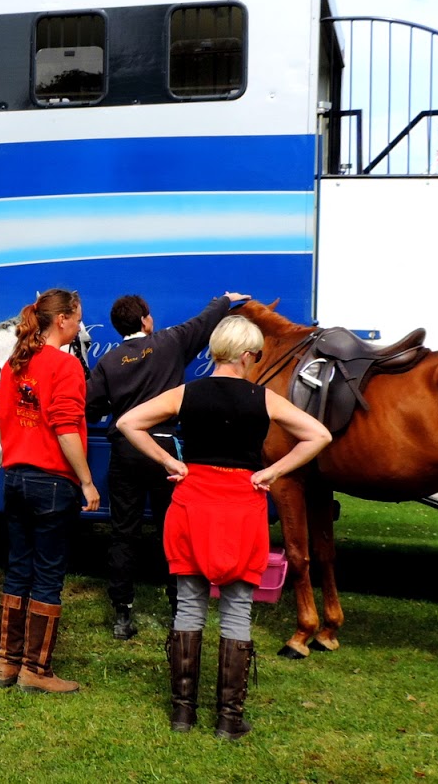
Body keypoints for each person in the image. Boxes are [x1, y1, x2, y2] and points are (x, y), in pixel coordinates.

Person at [118, 314, 330, 740]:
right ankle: (229, 719)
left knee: (189, 605)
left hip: (192, 501)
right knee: (236, 608)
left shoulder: (185, 393)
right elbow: (318, 435)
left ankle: (182, 713)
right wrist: (273, 472)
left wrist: (170, 461)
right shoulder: (264, 399)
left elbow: (127, 423)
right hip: (241, 506)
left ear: (216, 350)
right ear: (249, 355)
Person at [86, 291, 248, 639]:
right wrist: (224, 300)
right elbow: (203, 324)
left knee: (123, 533)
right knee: (172, 531)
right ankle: (179, 608)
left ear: (118, 327)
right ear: (146, 320)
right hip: (166, 452)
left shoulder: (108, 363)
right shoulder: (170, 342)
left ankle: (122, 614)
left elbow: (91, 407)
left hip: (125, 450)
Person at [0, 287, 100, 694]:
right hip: (53, 481)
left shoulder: (16, 361)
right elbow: (66, 426)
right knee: (48, 573)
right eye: (78, 317)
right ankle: (36, 670)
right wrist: (87, 481)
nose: (79, 324)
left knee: (18, 568)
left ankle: (8, 664)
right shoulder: (65, 365)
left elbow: (2, 414)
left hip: (16, 477)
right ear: (62, 320)